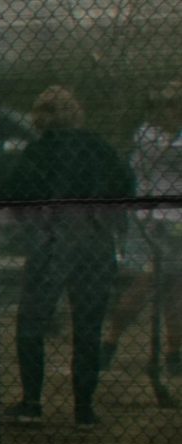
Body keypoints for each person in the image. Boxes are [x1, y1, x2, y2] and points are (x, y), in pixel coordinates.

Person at [2, 86, 133, 427]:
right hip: (94, 238)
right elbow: (125, 184)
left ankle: (32, 402)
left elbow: (16, 194)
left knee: (32, 320)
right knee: (88, 324)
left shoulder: (38, 151)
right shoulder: (99, 147)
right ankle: (84, 408)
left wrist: (32, 223)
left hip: (52, 237)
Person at [102, 79, 182, 374]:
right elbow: (169, 153)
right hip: (157, 222)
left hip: (176, 220)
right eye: (168, 104)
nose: (171, 110)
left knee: (174, 288)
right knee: (148, 282)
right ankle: (110, 342)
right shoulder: (148, 136)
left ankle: (173, 353)